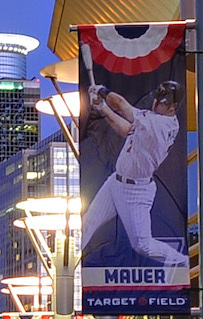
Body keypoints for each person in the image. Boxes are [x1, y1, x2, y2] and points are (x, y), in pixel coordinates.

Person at [79, 78, 187, 275]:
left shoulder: (160, 125)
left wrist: (102, 91)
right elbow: (127, 130)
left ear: (174, 107)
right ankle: (67, 270)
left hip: (136, 191)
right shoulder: (152, 119)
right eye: (157, 98)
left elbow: (122, 106)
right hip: (116, 181)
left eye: (163, 102)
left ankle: (183, 262)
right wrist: (103, 108)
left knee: (143, 246)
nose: (156, 103)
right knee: (87, 223)